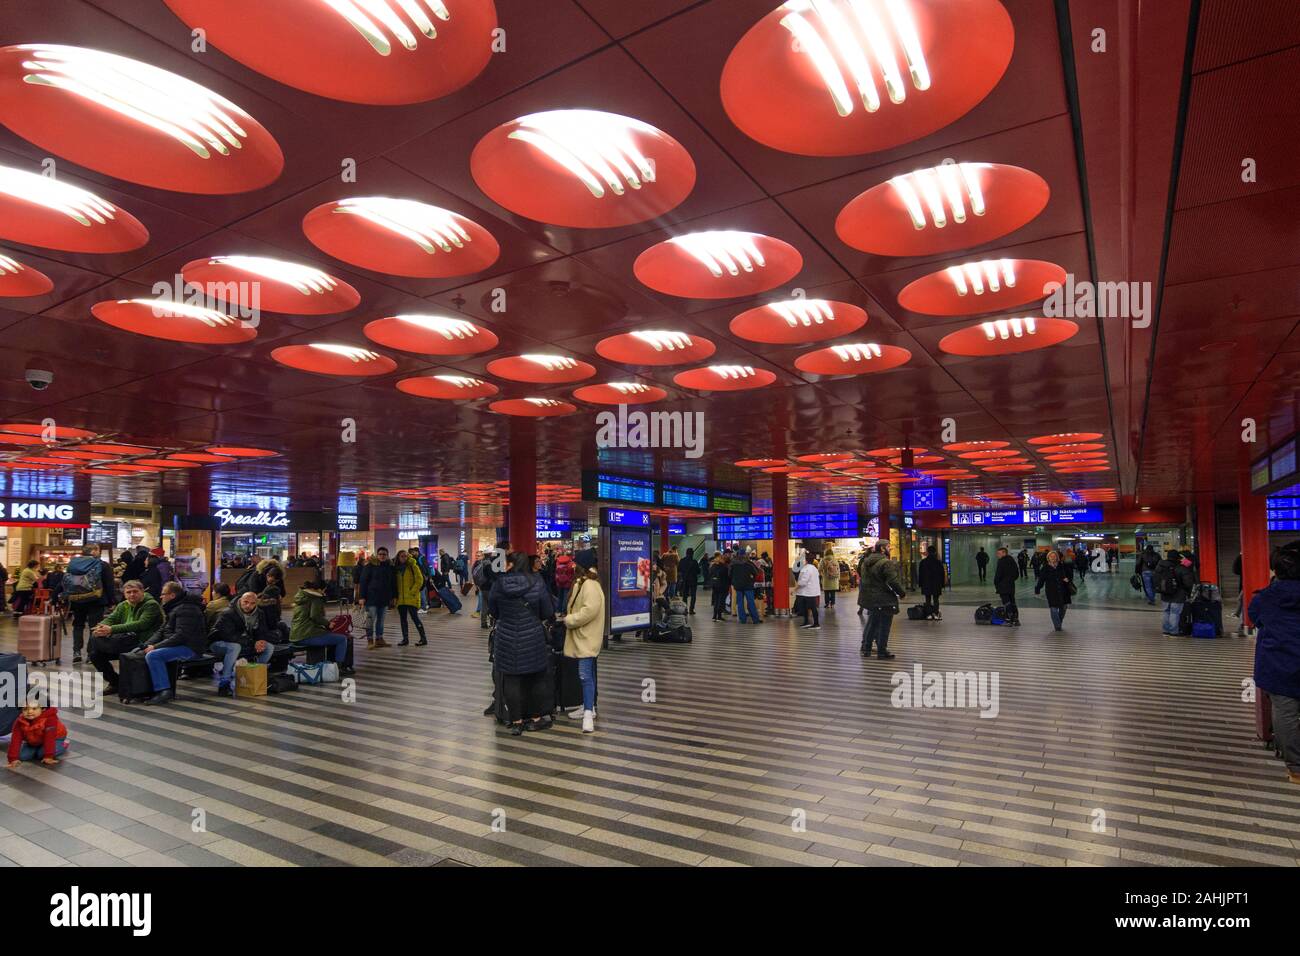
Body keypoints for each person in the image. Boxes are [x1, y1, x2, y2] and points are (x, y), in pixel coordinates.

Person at [1248, 541, 1300, 784]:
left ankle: (1296, 768)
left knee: (1285, 714)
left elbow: (1255, 620)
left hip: (1279, 663)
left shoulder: (1264, 599)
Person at [488, 552, 555, 736]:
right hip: (532, 637)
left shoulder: (499, 583)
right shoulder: (537, 581)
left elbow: (493, 611)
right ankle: (534, 719)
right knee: (536, 679)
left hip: (506, 638)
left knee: (511, 680)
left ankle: (516, 721)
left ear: (511, 564)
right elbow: (547, 611)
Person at [87, 580, 163, 694]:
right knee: (95, 655)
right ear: (124, 594)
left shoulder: (151, 605)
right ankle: (115, 683)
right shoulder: (123, 605)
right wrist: (100, 627)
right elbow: (111, 618)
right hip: (126, 641)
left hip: (143, 642)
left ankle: (127, 685)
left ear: (142, 591)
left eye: (135, 591)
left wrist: (112, 629)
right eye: (128, 592)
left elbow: (141, 624)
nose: (132, 594)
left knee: (104, 646)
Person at [140, 582, 209, 705]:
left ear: (172, 595)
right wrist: (147, 644)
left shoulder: (187, 609)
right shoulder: (175, 607)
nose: (161, 597)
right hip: (180, 645)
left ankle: (164, 691)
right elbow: (163, 630)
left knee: (154, 655)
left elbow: (181, 636)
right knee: (146, 652)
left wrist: (155, 647)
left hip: (191, 648)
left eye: (163, 594)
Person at [561, 563, 605, 733]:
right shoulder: (585, 582)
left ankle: (588, 716)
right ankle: (589, 706)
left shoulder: (589, 585)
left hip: (587, 637)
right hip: (585, 636)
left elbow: (589, 611)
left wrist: (570, 620)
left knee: (584, 674)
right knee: (590, 672)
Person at [209, 590, 279, 697]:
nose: (248, 606)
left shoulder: (259, 613)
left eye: (252, 603)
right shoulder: (228, 613)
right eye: (245, 602)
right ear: (240, 600)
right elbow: (228, 636)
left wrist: (260, 641)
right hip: (218, 643)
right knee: (235, 647)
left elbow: (262, 631)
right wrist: (253, 643)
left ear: (256, 603)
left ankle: (250, 675)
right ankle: (224, 684)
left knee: (269, 647)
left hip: (245, 642)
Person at [62, 546, 116, 665]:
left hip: (77, 600)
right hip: (96, 599)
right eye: (97, 550)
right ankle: (91, 654)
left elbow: (66, 580)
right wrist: (112, 601)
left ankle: (76, 652)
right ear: (94, 551)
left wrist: (59, 596)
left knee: (78, 624)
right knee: (94, 626)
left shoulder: (73, 564)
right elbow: (109, 584)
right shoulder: (102, 565)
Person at [288, 578, 353, 672]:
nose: (324, 592)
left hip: (295, 634)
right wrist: (328, 624)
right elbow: (315, 616)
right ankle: (338, 667)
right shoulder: (315, 598)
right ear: (319, 589)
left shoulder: (302, 596)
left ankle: (331, 664)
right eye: (324, 590)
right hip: (307, 635)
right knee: (342, 639)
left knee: (331, 636)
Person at [858, 542, 903, 659]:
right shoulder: (886, 563)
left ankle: (866, 649)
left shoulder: (865, 562)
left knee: (872, 623)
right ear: (882, 549)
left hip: (869, 598)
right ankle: (882, 651)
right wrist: (901, 593)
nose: (890, 549)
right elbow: (892, 581)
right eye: (888, 547)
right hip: (884, 599)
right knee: (884, 625)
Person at [6, 701, 67, 768]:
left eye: (34, 708)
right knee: (22, 756)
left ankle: (63, 745)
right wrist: (12, 759)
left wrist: (48, 756)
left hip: (55, 738)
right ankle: (38, 748)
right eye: (25, 709)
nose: (29, 712)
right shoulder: (19, 721)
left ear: (43, 708)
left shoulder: (50, 719)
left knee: (41, 754)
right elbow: (15, 739)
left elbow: (49, 738)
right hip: (34, 740)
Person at [357, 547, 396, 649]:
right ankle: (370, 640)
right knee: (370, 620)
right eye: (380, 554)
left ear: (387, 555)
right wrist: (361, 597)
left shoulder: (390, 567)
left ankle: (379, 639)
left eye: (384, 554)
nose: (382, 556)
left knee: (381, 620)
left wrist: (393, 596)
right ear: (377, 555)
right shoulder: (369, 566)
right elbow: (363, 582)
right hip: (371, 598)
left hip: (384, 598)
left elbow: (393, 583)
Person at [1154, 549, 1197, 636]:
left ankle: (1166, 631)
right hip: (1179, 593)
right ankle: (1173, 632)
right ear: (1178, 557)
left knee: (1166, 612)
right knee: (1174, 613)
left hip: (1165, 592)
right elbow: (1188, 582)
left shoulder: (1160, 565)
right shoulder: (1181, 567)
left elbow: (1155, 578)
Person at [394, 549, 428, 646]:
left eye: (405, 556)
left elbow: (419, 580)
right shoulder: (396, 568)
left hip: (411, 597)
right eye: (402, 556)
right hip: (401, 599)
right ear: (398, 557)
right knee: (403, 619)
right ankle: (405, 639)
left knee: (415, 618)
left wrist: (412, 591)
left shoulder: (413, 566)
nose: (404, 558)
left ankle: (423, 638)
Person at [1034, 549, 1074, 632]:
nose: (1052, 557)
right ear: (1048, 558)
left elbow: (1070, 575)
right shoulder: (1045, 568)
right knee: (1053, 609)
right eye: (1051, 556)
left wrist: (1068, 579)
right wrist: (1037, 589)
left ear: (1057, 557)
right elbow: (1041, 580)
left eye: (1054, 556)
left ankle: (1059, 622)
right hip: (1051, 591)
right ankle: (1057, 626)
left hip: (1064, 590)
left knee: (1064, 607)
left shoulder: (1062, 566)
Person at [730, 548, 759, 624]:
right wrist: (752, 580)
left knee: (740, 602)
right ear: (745, 555)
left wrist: (734, 581)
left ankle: (742, 620)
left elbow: (729, 574)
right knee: (751, 602)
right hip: (748, 585)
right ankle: (755, 620)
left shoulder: (733, 564)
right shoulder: (749, 563)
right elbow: (756, 572)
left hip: (738, 586)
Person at [917, 546, 946, 620]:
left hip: (926, 584)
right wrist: (942, 584)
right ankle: (936, 614)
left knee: (927, 600)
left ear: (927, 552)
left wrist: (920, 584)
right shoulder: (938, 563)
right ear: (935, 552)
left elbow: (920, 574)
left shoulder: (923, 562)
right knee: (936, 599)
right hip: (936, 584)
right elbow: (942, 574)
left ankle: (928, 615)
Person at [993, 546, 1021, 626]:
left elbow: (998, 574)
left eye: (999, 553)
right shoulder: (1012, 560)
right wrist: (1011, 580)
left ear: (1004, 553)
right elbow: (1016, 573)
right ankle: (1016, 619)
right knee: (1012, 602)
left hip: (1002, 585)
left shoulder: (1001, 561)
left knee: (1006, 603)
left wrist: (996, 584)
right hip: (1011, 585)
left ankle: (1009, 619)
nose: (997, 555)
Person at [794, 551, 821, 629]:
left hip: (806, 592)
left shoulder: (806, 569)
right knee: (810, 608)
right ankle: (808, 623)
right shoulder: (814, 568)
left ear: (805, 560)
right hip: (812, 591)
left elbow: (803, 582)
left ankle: (815, 624)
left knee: (809, 608)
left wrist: (794, 589)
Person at [678, 547, 699, 615]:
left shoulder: (682, 560)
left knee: (684, 595)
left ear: (686, 553)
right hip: (693, 580)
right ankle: (691, 609)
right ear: (692, 553)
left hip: (685, 580)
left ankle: (685, 609)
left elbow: (679, 569)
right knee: (693, 595)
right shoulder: (694, 561)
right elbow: (698, 571)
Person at [553, 549, 576, 613]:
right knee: (566, 597)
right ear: (571, 556)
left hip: (559, 582)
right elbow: (574, 573)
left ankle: (558, 610)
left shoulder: (558, 562)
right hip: (567, 583)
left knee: (560, 596)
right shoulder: (572, 563)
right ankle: (564, 610)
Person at [709, 553, 730, 621]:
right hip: (722, 586)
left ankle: (714, 616)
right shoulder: (724, 567)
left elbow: (710, 575)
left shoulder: (713, 566)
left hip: (714, 585)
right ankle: (719, 616)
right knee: (721, 601)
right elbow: (727, 577)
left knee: (716, 600)